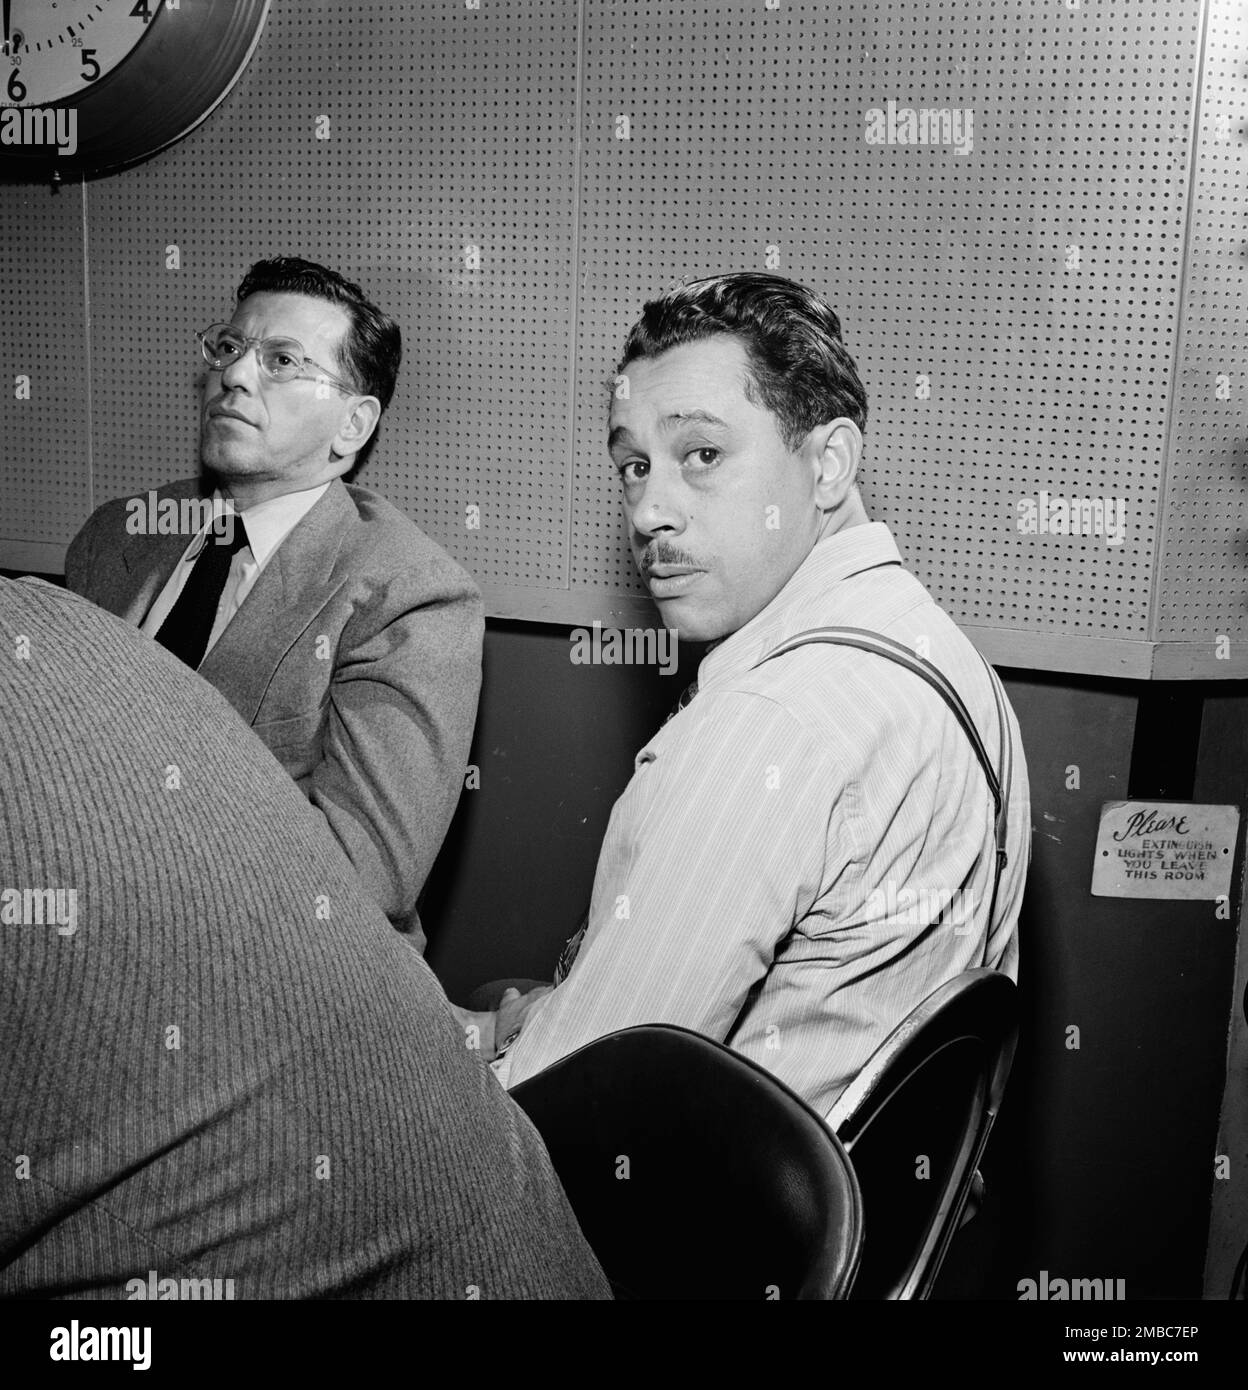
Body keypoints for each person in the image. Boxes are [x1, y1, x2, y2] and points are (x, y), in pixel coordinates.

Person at [477, 272, 1031, 1117]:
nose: (650, 511)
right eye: (634, 465)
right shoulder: (952, 664)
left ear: (829, 464)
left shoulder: (769, 724)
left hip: (701, 1232)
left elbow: (562, 1120)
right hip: (853, 1212)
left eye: (702, 454)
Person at [0, 575, 608, 1300]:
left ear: (346, 448)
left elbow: (355, 885)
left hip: (311, 1075)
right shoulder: (97, 571)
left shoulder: (408, 589)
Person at [65, 257, 481, 949]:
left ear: (352, 425)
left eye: (282, 360)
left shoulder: (410, 596)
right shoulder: (116, 535)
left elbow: (364, 874)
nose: (234, 375)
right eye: (230, 348)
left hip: (281, 970)